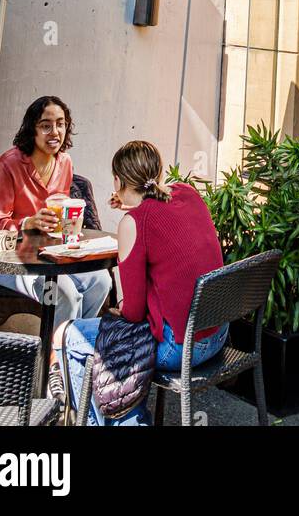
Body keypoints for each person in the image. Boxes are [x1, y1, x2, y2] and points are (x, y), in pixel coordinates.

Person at [58, 141, 228, 425]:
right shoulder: (187, 193)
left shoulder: (134, 222)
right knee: (121, 341)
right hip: (218, 334)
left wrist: (119, 276)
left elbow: (132, 312)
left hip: (181, 349)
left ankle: (122, 422)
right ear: (159, 172)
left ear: (118, 180)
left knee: (71, 336)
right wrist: (129, 210)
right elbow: (162, 225)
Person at [0, 95, 111, 326]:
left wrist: (69, 226)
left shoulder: (65, 163)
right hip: (8, 260)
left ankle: (72, 347)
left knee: (101, 281)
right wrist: (28, 223)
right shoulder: (7, 165)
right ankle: (55, 358)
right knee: (65, 294)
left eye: (60, 124)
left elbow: (59, 213)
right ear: (32, 129)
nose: (55, 132)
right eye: (46, 125)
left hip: (49, 256)